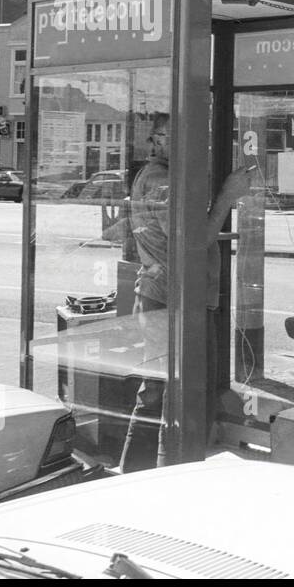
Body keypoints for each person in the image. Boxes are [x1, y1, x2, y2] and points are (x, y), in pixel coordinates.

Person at [119, 113, 254, 472]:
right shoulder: (161, 180)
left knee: (159, 391)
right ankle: (159, 472)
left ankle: (140, 471)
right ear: (159, 139)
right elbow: (192, 242)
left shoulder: (163, 176)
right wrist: (227, 195)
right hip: (174, 297)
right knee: (173, 393)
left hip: (170, 294)